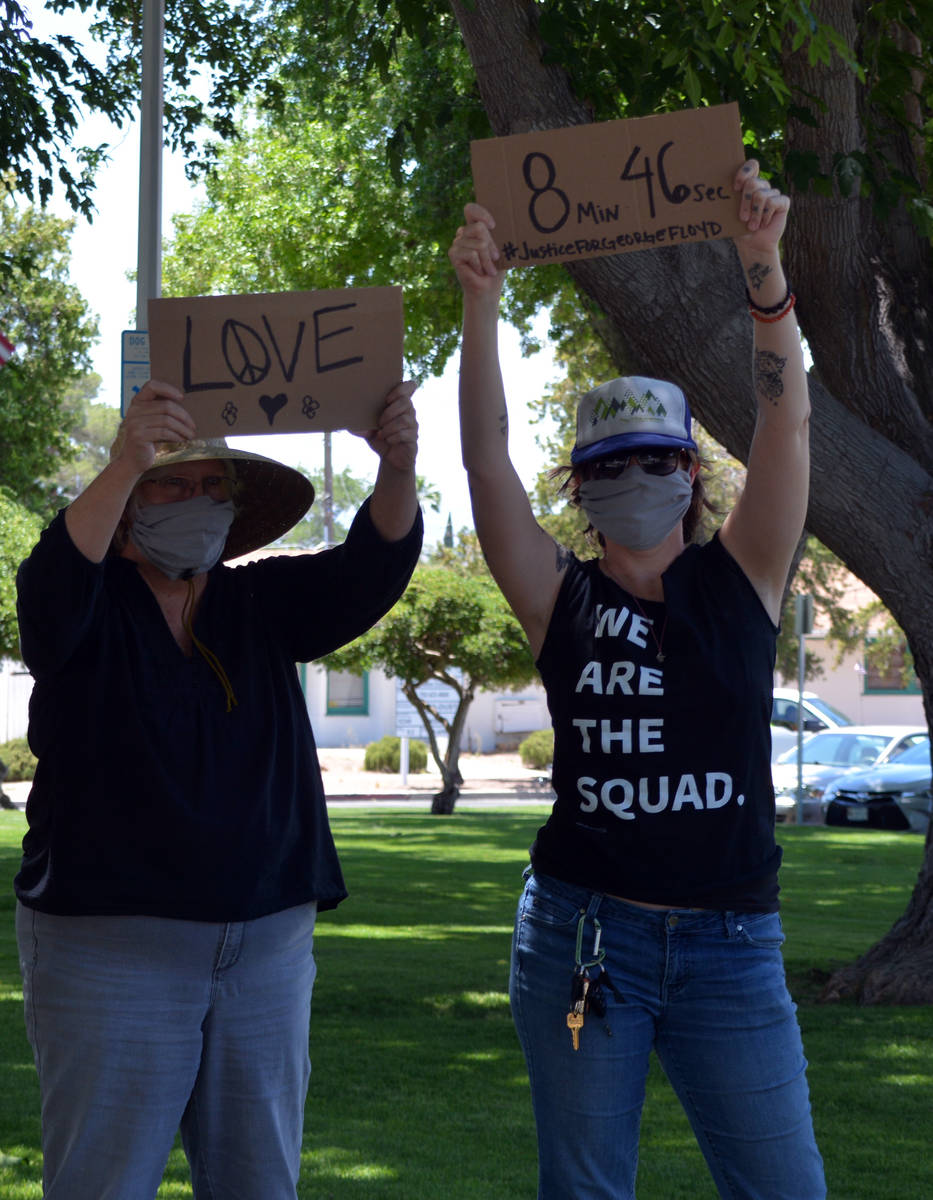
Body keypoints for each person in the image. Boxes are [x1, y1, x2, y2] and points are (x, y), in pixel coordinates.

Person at [449, 161, 825, 1199]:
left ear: (692, 474)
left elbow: (786, 425)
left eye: (657, 461)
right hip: (581, 936)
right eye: (608, 469)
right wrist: (482, 306)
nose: (635, 483)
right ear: (579, 488)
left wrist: (763, 272)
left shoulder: (742, 575)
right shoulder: (556, 597)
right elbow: (485, 465)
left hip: (732, 946)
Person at [14, 378, 422, 1200]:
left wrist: (399, 467)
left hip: (266, 949)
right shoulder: (87, 602)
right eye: (173, 482)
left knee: (260, 1184)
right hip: (111, 951)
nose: (196, 499)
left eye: (212, 486)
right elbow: (50, 588)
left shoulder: (259, 600)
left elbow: (369, 570)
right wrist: (130, 454)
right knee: (101, 1183)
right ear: (129, 503)